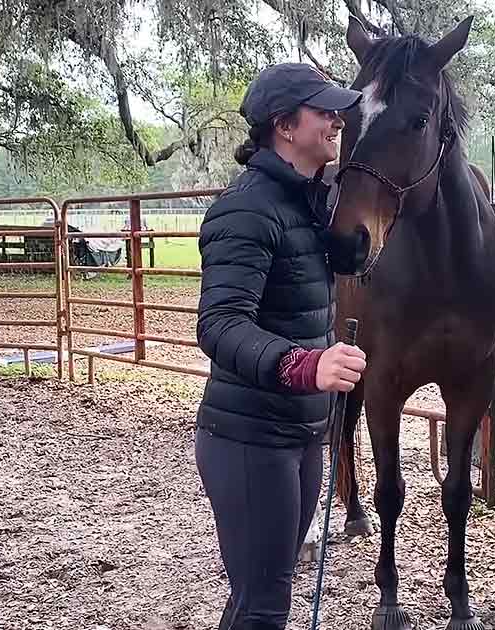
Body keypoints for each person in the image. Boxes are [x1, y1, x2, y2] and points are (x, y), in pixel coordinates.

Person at [193, 62, 369, 630]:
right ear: (284, 126)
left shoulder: (305, 203)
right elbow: (218, 325)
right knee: (266, 606)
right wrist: (306, 365)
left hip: (299, 433)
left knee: (258, 598)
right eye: (324, 110)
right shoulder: (247, 209)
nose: (337, 120)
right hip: (249, 439)